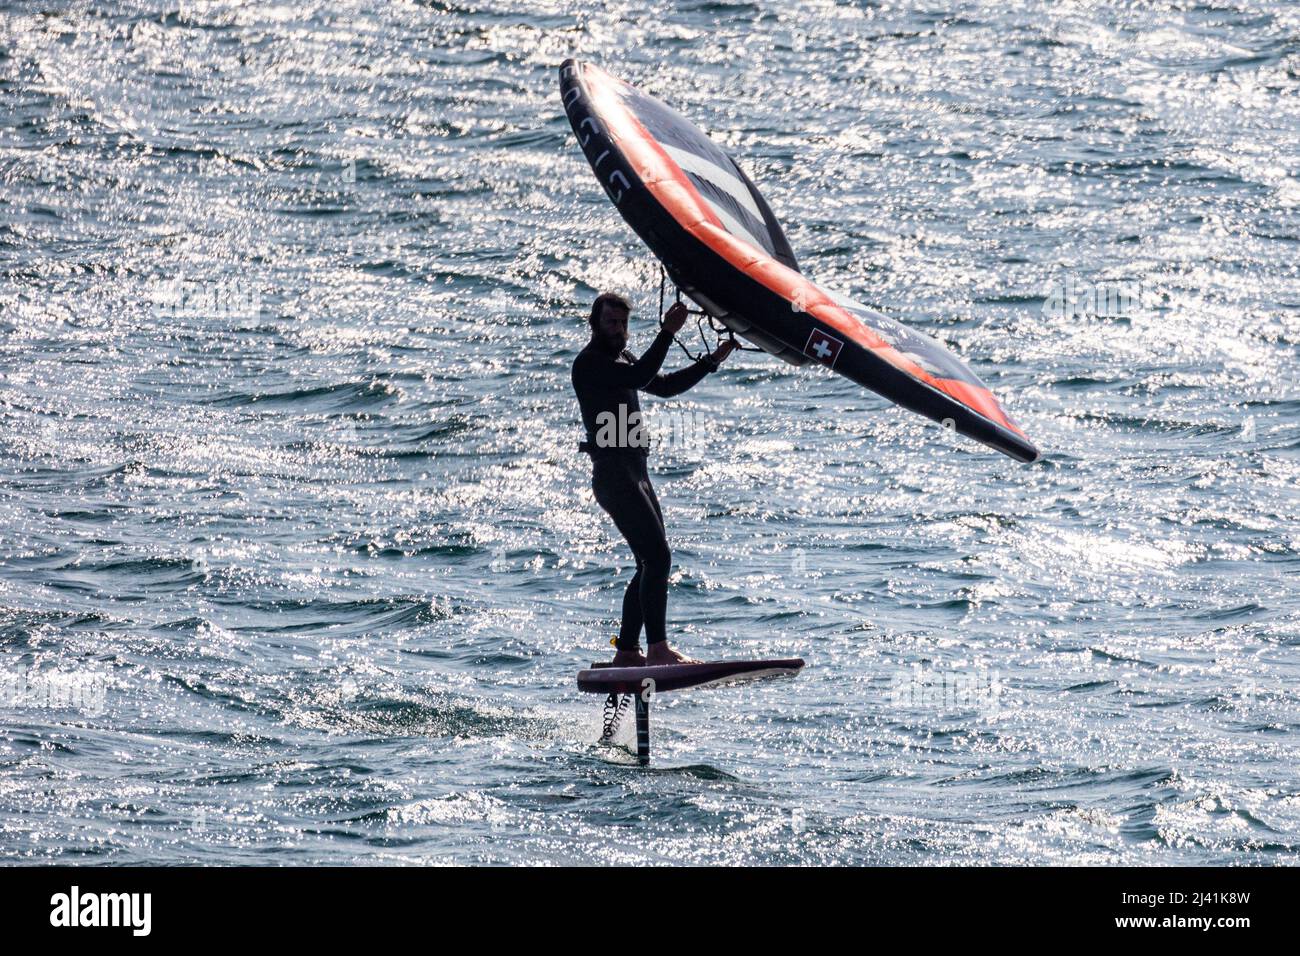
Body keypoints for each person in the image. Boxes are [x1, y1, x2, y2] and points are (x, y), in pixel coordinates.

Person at [572, 292, 737, 666]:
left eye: (624, 323)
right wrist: (666, 332)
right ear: (594, 324)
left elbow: (661, 385)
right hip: (614, 475)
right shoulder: (589, 363)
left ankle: (628, 651)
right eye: (611, 322)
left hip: (637, 473)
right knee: (658, 558)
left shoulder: (623, 358)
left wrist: (709, 362)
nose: (618, 330)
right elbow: (639, 376)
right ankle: (659, 649)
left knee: (650, 561)